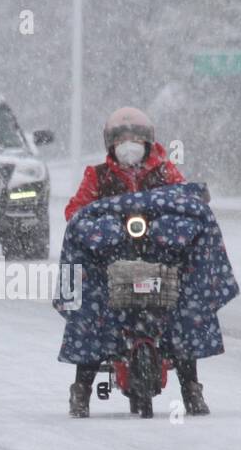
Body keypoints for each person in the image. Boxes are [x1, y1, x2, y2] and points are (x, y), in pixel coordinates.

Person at [62, 106, 211, 417]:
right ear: (110, 145)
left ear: (148, 142)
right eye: (121, 139)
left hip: (160, 260)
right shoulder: (97, 175)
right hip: (110, 263)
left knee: (185, 309)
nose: (129, 144)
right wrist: (103, 232)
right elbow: (75, 212)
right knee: (90, 310)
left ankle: (192, 388)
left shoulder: (165, 172)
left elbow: (185, 202)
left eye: (135, 139)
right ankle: (81, 390)